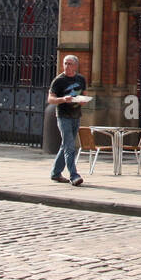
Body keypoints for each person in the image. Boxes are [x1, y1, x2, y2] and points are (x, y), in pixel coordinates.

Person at [48, 54, 88, 185]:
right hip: (63, 116)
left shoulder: (81, 79)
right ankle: (74, 175)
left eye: (70, 64)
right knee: (70, 147)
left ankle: (55, 173)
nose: (67, 66)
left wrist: (83, 101)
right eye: (65, 63)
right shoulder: (58, 80)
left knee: (65, 145)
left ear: (76, 65)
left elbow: (84, 95)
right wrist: (62, 99)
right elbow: (50, 99)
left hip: (76, 116)